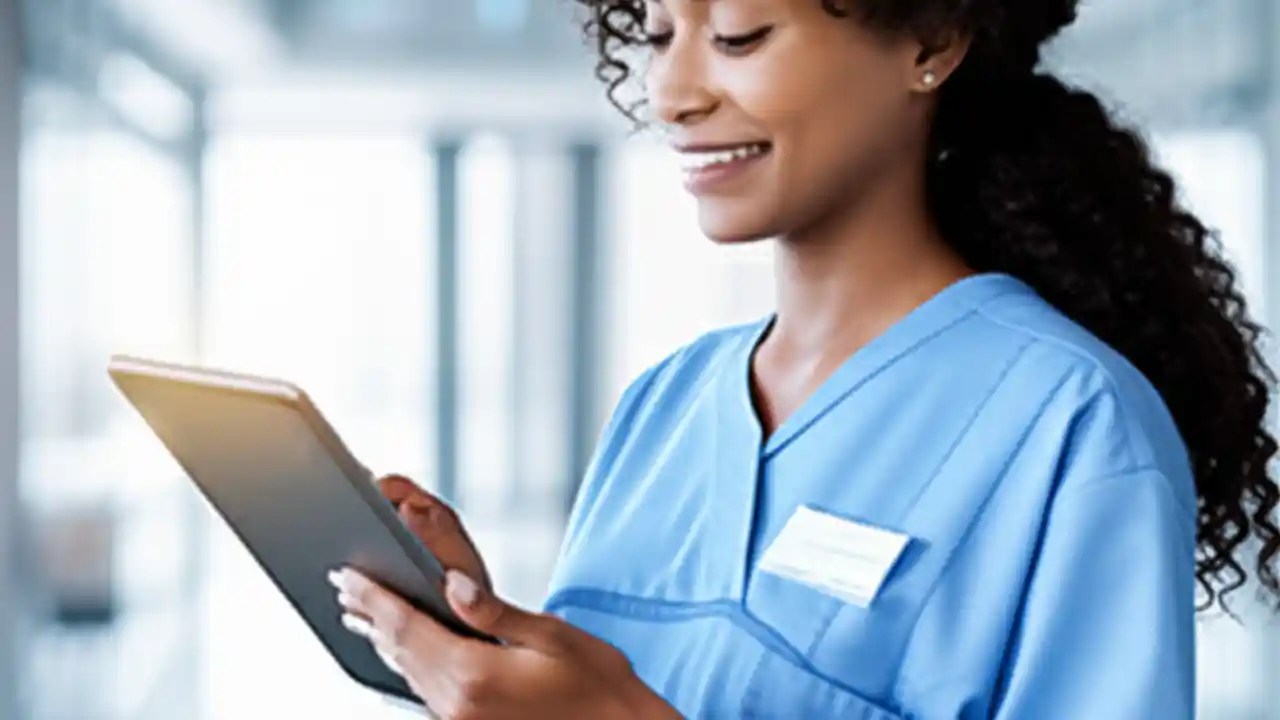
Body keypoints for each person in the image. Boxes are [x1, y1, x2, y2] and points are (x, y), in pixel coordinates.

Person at [325, 0, 1280, 717]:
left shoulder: (1074, 423)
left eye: (738, 35)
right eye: (660, 36)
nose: (673, 92)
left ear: (929, 43)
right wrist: (477, 641)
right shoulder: (665, 405)